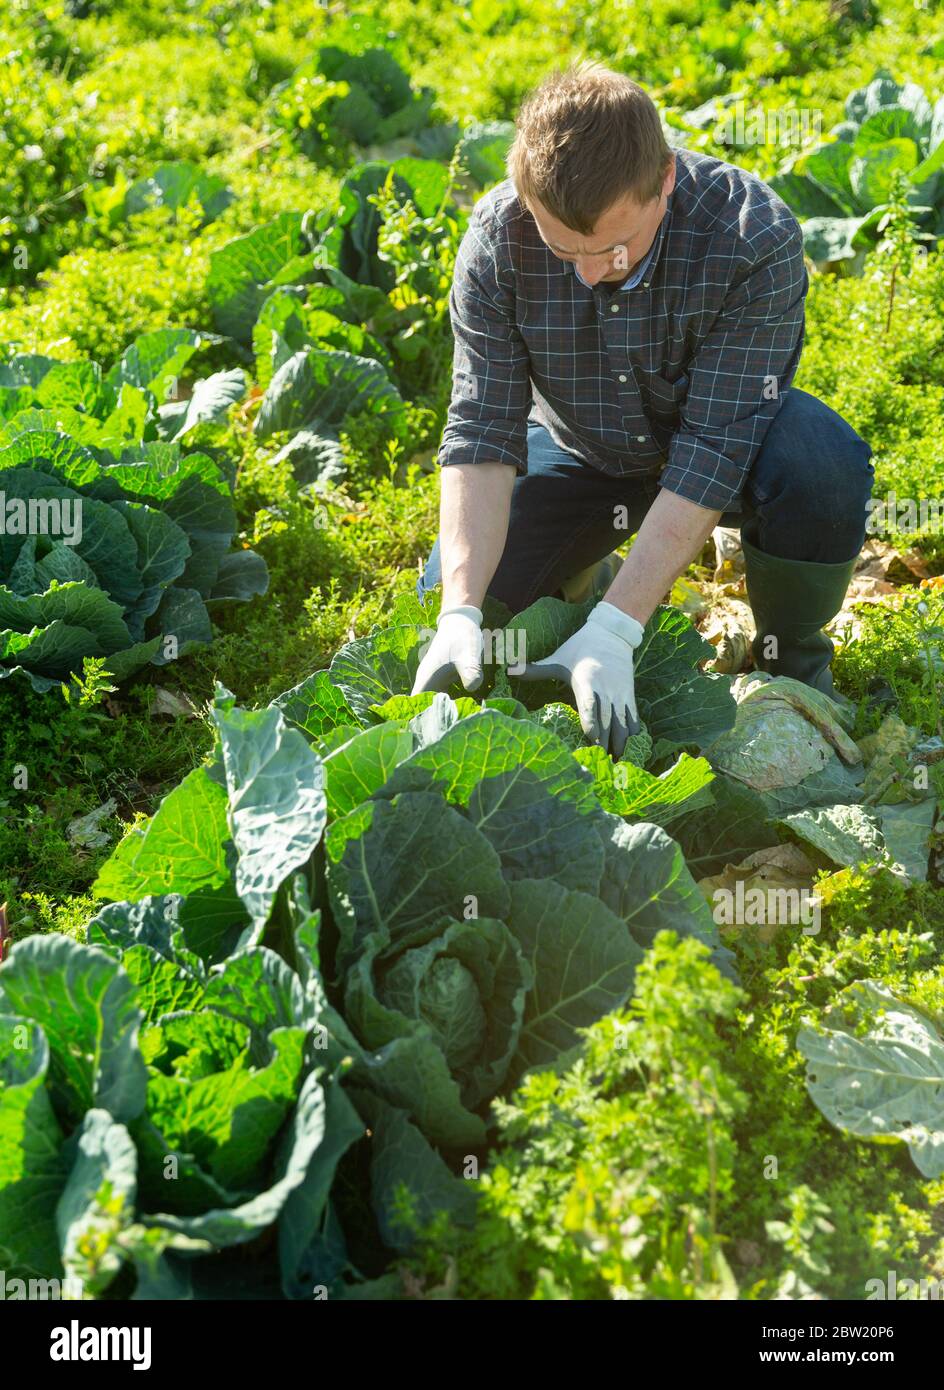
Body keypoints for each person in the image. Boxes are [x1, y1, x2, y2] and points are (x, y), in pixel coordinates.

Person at [413, 60, 874, 756]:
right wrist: (460, 609)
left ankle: (792, 661)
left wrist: (617, 629)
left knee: (821, 464)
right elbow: (481, 429)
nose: (590, 272)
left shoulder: (751, 235)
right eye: (562, 250)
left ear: (664, 178)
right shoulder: (498, 238)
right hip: (580, 449)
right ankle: (585, 577)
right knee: (472, 609)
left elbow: (713, 449)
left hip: (728, 451)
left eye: (614, 249)